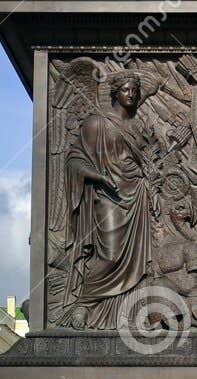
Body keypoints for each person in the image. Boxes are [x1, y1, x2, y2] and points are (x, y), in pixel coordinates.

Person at [63, 71, 155, 327]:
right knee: (111, 255)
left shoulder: (137, 126)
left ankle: (130, 311)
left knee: (141, 260)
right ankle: (84, 303)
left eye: (135, 90)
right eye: (126, 89)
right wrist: (98, 177)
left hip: (137, 194)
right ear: (115, 93)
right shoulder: (97, 124)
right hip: (109, 195)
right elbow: (74, 159)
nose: (131, 94)